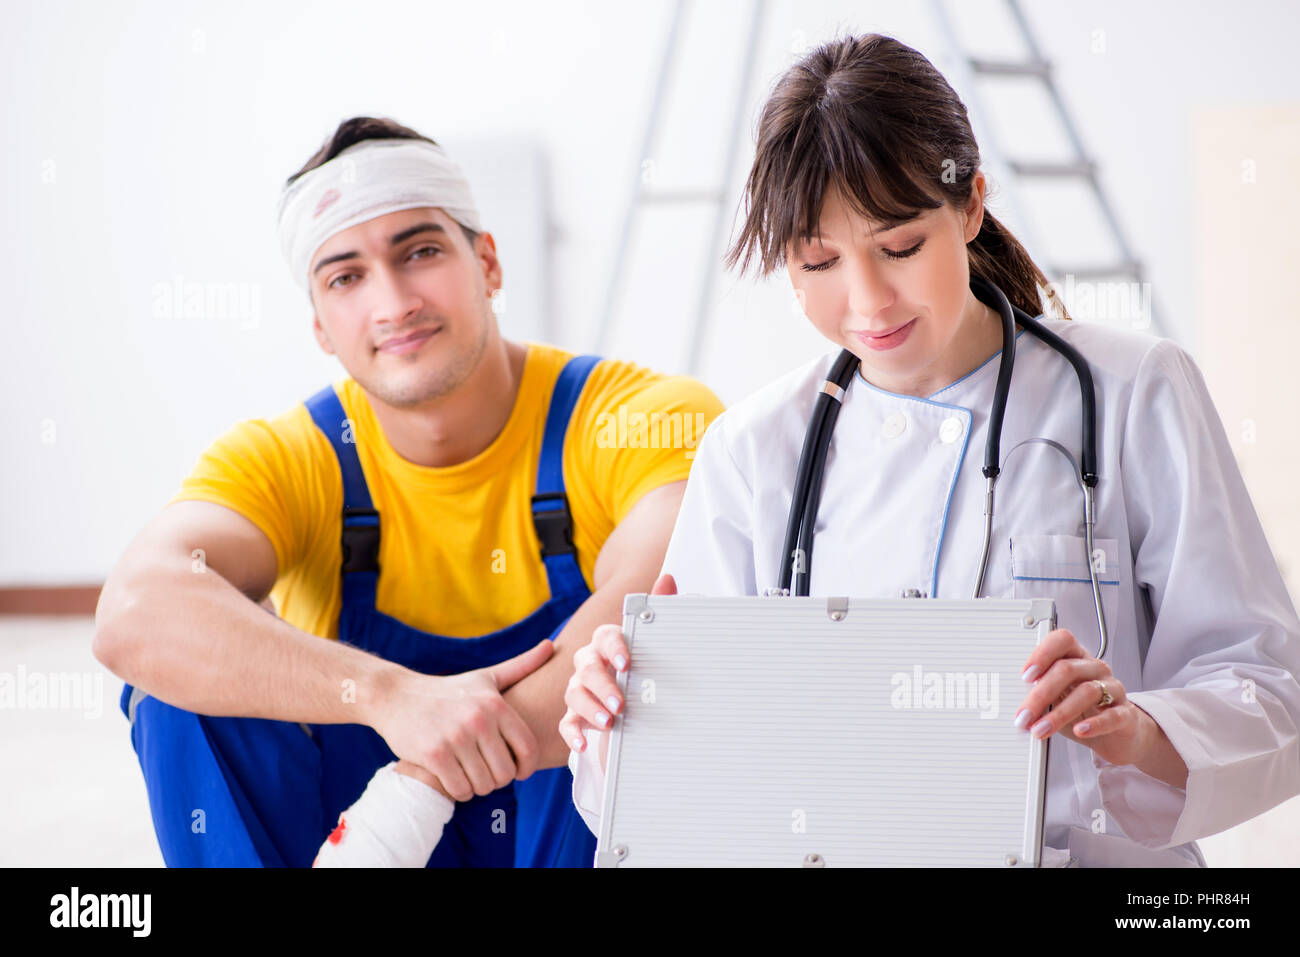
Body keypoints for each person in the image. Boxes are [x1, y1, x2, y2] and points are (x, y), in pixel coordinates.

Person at [558, 34, 1300, 867]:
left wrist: (1134, 727)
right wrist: (620, 712)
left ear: (971, 205)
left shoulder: (1135, 392)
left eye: (900, 246)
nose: (868, 300)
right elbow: (683, 794)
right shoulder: (751, 452)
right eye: (819, 262)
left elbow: (1271, 689)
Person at [92, 116, 725, 867]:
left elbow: (664, 601)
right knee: (174, 694)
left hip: (546, 824)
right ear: (322, 325)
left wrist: (422, 780)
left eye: (420, 251)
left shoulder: (633, 417)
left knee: (638, 670)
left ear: (487, 262)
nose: (392, 303)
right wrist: (391, 698)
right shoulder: (295, 455)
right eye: (346, 276)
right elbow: (135, 612)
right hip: (348, 830)